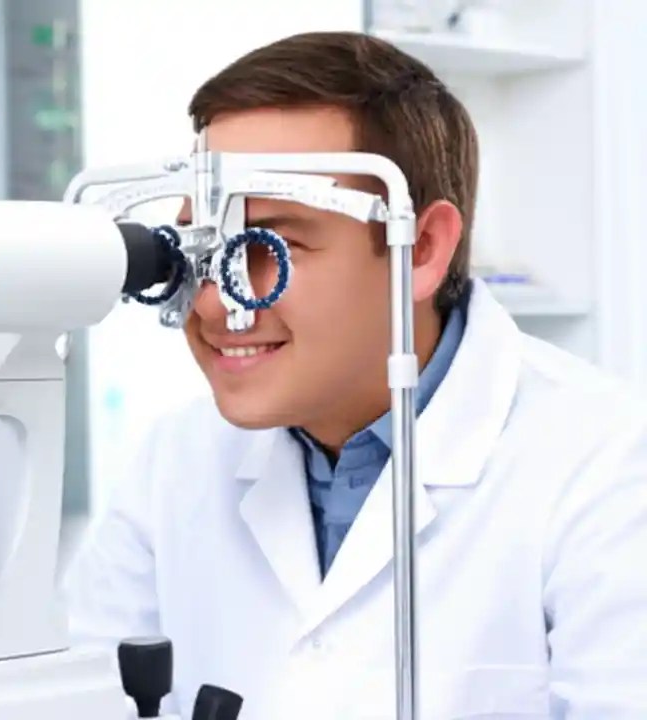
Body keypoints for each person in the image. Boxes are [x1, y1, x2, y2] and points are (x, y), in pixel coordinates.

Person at [62, 31, 647, 719]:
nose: (217, 302)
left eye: (270, 247)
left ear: (421, 250)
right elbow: (82, 695)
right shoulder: (174, 460)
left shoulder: (609, 467)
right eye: (201, 250)